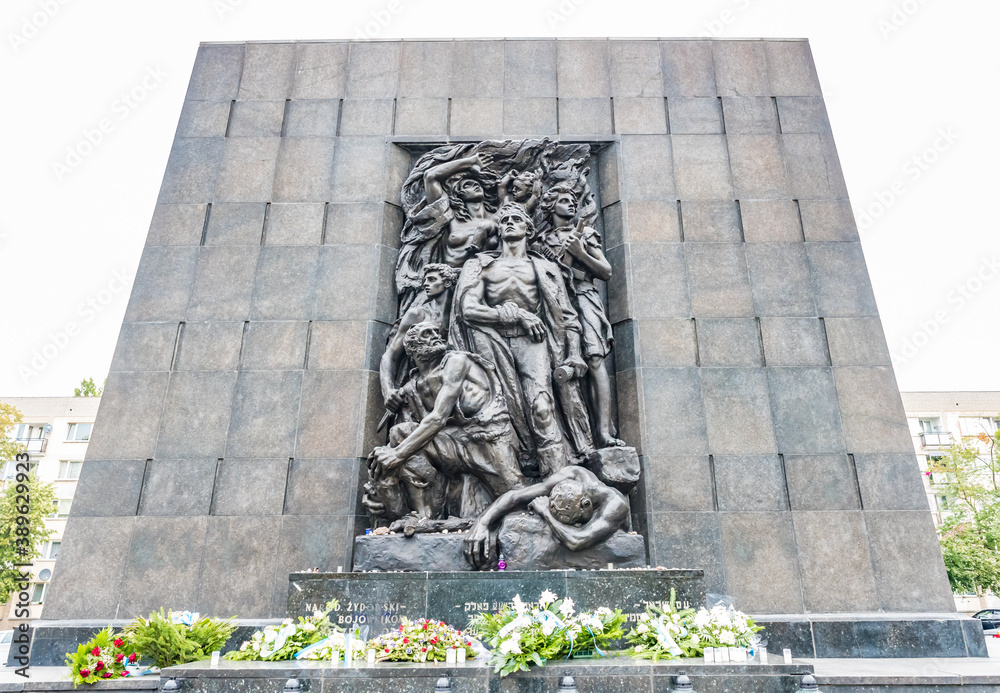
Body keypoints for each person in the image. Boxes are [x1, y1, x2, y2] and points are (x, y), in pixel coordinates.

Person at [450, 201, 595, 476]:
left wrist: (574, 354)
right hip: (489, 344)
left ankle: (558, 480)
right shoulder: (480, 265)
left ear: (528, 228)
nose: (509, 223)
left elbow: (567, 317)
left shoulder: (546, 269)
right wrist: (515, 315)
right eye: (504, 220)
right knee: (497, 414)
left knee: (541, 407)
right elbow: (467, 310)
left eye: (516, 219)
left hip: (534, 343)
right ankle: (512, 477)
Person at [367, 322, 528, 521]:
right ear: (412, 348)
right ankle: (423, 515)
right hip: (455, 442)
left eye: (436, 331)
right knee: (400, 433)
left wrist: (397, 454)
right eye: (427, 333)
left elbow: (438, 418)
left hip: (488, 439)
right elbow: (416, 430)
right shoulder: (414, 384)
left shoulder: (456, 362)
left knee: (517, 498)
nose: (435, 335)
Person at [536, 182, 624, 448]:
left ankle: (603, 432)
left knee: (595, 360)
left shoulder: (585, 235)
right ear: (551, 207)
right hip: (553, 304)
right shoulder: (541, 242)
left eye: (573, 200)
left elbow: (605, 272)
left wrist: (580, 253)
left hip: (584, 298)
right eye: (564, 200)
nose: (571, 204)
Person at [463, 465, 630, 570]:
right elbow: (516, 497)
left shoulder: (616, 506)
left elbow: (576, 541)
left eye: (571, 520)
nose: (574, 525)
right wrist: (483, 522)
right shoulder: (572, 475)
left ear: (586, 505)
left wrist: (546, 512)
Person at [379, 263, 458, 412]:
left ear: (447, 282)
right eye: (425, 280)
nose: (426, 284)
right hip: (425, 388)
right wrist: (388, 390)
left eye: (432, 279)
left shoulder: (460, 312)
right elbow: (390, 355)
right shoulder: (417, 315)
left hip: (456, 380)